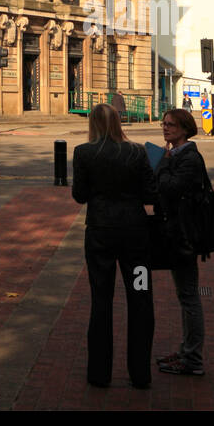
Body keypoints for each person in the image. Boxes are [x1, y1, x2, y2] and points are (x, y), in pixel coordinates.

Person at [72, 103, 156, 388]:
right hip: (136, 234)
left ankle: (99, 374)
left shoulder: (83, 153)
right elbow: (149, 194)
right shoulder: (138, 152)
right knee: (141, 297)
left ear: (92, 124)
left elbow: (79, 196)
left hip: (100, 233)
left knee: (101, 299)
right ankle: (140, 373)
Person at [155, 108, 206, 376]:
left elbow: (172, 187)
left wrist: (161, 164)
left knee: (189, 297)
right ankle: (187, 351)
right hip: (176, 233)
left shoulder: (189, 158)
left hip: (185, 237)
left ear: (185, 128)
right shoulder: (177, 153)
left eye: (171, 125)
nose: (166, 128)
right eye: (164, 124)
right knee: (185, 295)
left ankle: (193, 360)